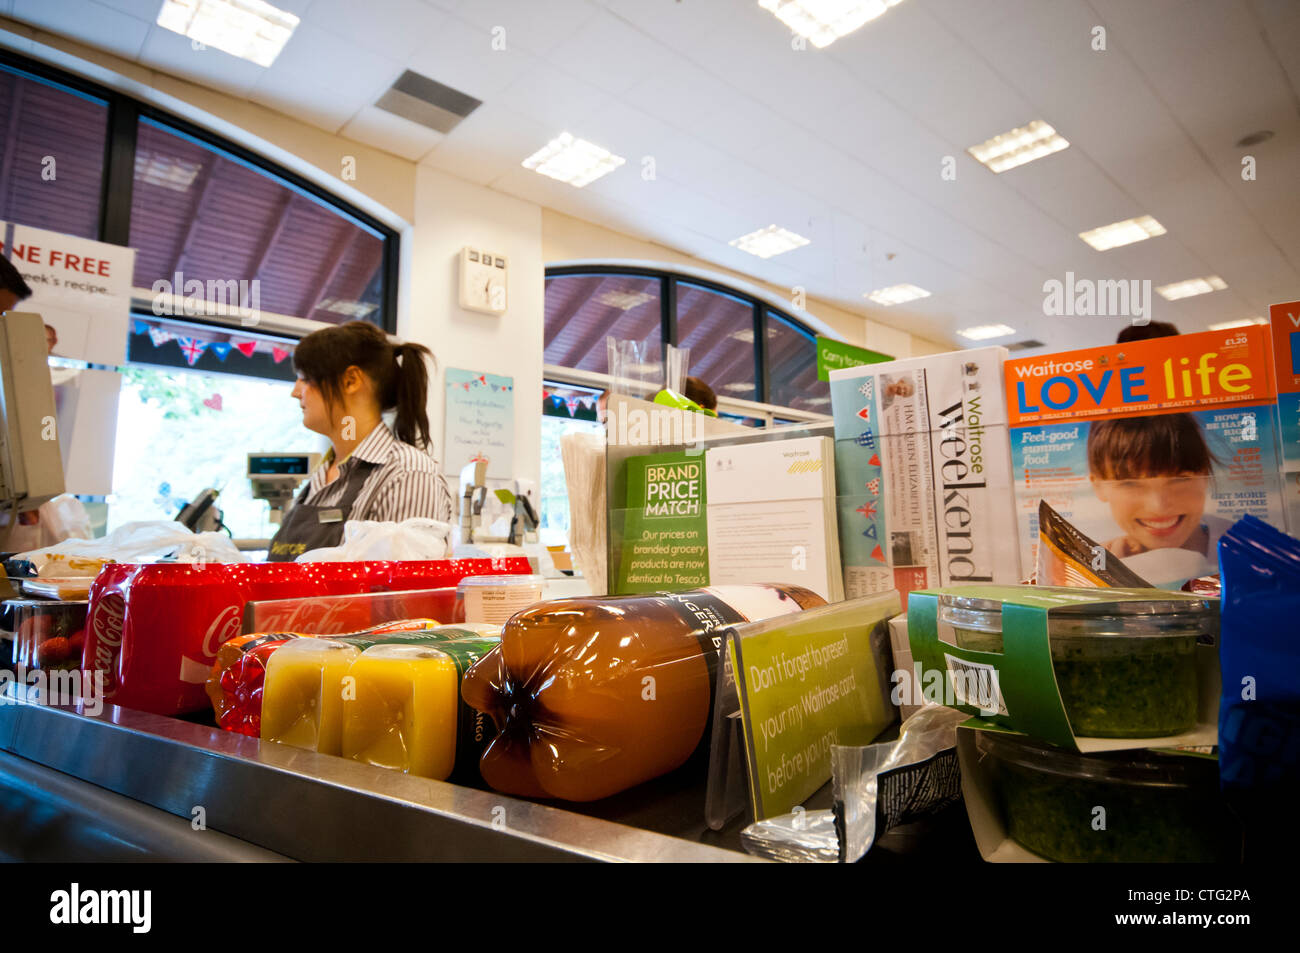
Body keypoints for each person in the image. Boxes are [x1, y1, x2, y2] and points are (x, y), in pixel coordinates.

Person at [267, 321, 454, 562]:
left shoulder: (407, 473)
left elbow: (399, 596)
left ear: (351, 380)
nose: (295, 391)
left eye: (305, 378)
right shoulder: (322, 477)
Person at [1087, 413, 1229, 581]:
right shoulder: (1086, 568)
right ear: (1098, 486)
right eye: (1130, 484)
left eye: (1179, 479)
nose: (1158, 507)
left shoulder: (1252, 550)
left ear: (1205, 476)